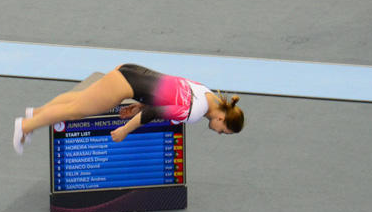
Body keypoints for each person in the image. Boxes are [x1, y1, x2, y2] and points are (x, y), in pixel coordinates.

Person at [12, 64, 243, 154]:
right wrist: (125, 130)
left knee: (80, 99)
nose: (217, 132)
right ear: (222, 118)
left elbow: (168, 92)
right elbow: (154, 113)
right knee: (75, 111)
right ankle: (25, 125)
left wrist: (138, 104)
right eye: (223, 130)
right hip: (125, 85)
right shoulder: (193, 113)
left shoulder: (205, 92)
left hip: (132, 72)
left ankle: (37, 113)